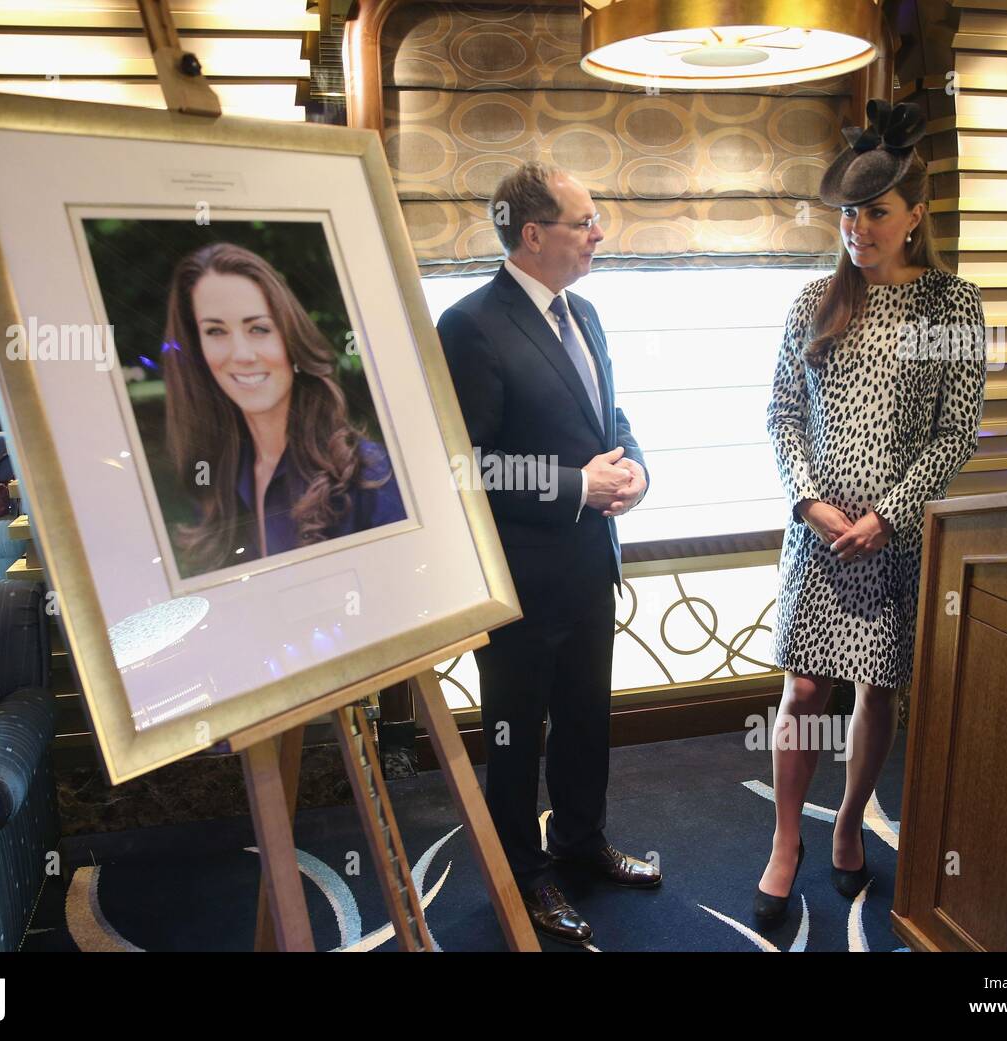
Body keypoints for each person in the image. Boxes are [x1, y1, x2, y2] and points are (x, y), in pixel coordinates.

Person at [758, 100, 987, 924]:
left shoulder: (953, 308)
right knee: (804, 687)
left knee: (876, 688)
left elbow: (956, 430)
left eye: (877, 212)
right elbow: (782, 413)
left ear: (916, 215)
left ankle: (850, 821)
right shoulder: (815, 299)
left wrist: (888, 514)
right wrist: (809, 500)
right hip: (817, 537)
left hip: (894, 539)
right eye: (849, 213)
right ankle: (786, 840)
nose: (858, 228)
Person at [436, 162, 659, 945]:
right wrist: (575, 485)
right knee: (515, 733)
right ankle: (522, 878)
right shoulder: (469, 326)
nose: (600, 233)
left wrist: (630, 465)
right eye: (585, 221)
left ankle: (580, 843)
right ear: (533, 234)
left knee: (585, 722)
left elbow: (608, 413)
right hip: (519, 581)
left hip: (590, 569)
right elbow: (464, 464)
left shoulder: (586, 313)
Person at [160, 242, 404, 578]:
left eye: (258, 328)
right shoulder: (218, 478)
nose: (242, 353)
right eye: (215, 331)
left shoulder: (369, 476)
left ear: (291, 337)